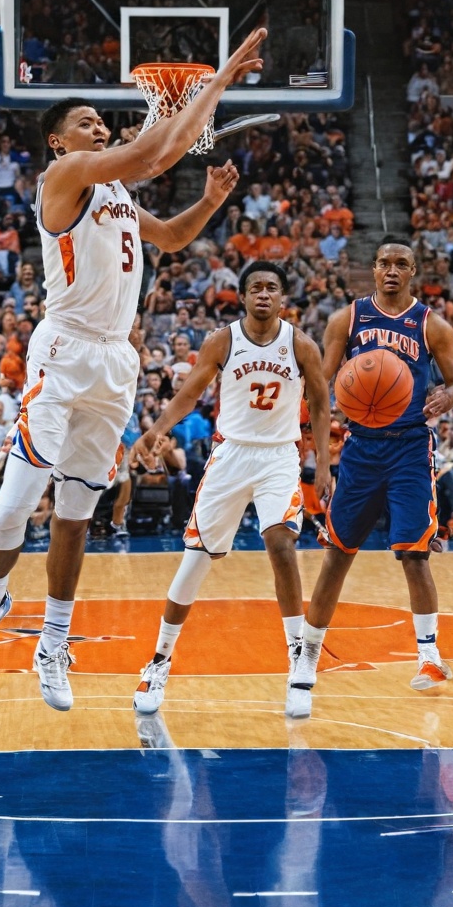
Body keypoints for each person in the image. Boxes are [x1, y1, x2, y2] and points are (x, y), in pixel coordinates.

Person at [0, 28, 268, 711]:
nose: (99, 125)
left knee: (76, 512)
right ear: (60, 142)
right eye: (85, 121)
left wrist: (211, 200)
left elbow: (175, 234)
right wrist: (219, 80)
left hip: (116, 362)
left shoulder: (119, 195)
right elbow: (157, 149)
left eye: (102, 119)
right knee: (14, 506)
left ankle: (53, 643)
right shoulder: (62, 178)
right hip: (64, 350)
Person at [125, 260, 333, 717]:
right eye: (255, 287)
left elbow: (320, 403)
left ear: (282, 297)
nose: (263, 294)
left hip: (279, 455)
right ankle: (159, 660)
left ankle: (298, 656)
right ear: (242, 296)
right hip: (230, 455)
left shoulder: (301, 345)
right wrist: (157, 429)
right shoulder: (223, 340)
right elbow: (189, 394)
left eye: (271, 287)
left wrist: (322, 462)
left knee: (281, 543)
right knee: (195, 561)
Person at [299, 242, 453, 692]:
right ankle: (308, 655)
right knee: (337, 555)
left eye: (400, 265)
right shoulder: (347, 319)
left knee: (413, 555)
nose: (391, 271)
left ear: (413, 271)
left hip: (411, 448)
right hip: (361, 447)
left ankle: (430, 657)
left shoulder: (433, 325)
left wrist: (447, 397)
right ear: (372, 270)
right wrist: (330, 416)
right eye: (384, 264)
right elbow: (321, 380)